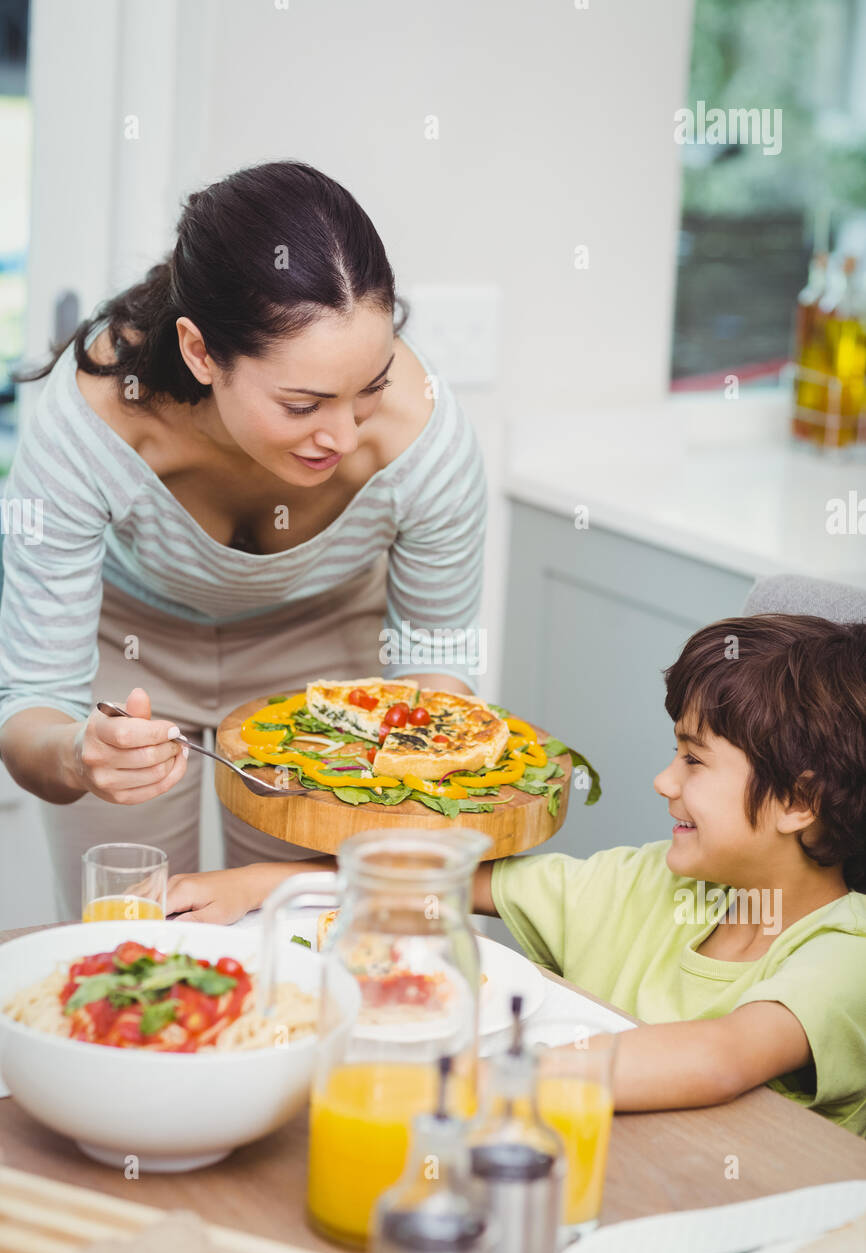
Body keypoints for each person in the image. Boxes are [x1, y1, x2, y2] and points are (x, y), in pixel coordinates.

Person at [164, 613, 866, 1137]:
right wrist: (264, 883)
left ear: (799, 801)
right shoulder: (650, 884)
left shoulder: (846, 951)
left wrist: (472, 1080)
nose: (662, 781)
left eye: (693, 761)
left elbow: (719, 1056)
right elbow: (435, 880)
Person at [0, 161, 486, 916]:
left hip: (326, 663)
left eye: (372, 386)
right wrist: (79, 753)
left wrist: (402, 771)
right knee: (133, 939)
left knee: (306, 939)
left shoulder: (426, 442)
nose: (344, 434)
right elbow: (33, 704)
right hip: (127, 659)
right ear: (200, 353)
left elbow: (439, 665)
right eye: (302, 404)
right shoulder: (90, 423)